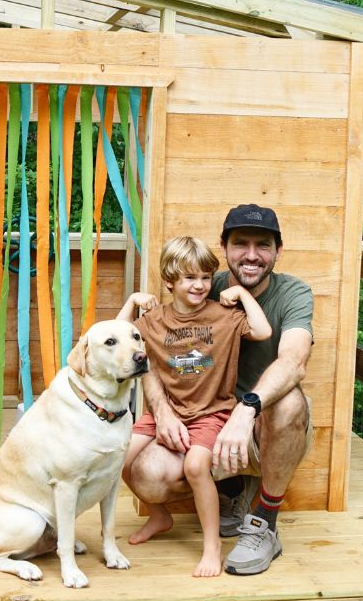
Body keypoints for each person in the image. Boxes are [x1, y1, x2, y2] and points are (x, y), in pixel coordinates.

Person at [126, 204, 314, 576]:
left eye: (263, 245)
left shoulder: (292, 293)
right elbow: (148, 348)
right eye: (240, 243)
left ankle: (263, 521)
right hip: (198, 416)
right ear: (224, 249)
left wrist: (247, 410)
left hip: (256, 423)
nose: (251, 254)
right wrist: (161, 411)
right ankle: (230, 494)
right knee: (142, 472)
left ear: (278, 250)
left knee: (289, 401)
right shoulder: (202, 284)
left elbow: (293, 360)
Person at [116, 236, 271, 577]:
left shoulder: (224, 316)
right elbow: (118, 338)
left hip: (210, 412)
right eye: (189, 278)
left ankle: (212, 545)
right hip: (164, 413)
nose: (200, 286)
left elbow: (262, 330)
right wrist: (131, 301)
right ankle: (160, 517)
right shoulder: (154, 320)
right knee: (118, 458)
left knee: (197, 466)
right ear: (170, 281)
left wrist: (243, 295)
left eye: (204, 277)